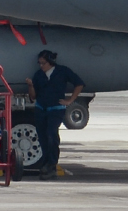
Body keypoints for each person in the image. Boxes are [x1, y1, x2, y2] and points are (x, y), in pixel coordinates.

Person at [30, 50, 86, 178]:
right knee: (43, 138)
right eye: (39, 63)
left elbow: (79, 83)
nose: (41, 66)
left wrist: (70, 100)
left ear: (51, 62)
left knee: (51, 134)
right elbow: (33, 96)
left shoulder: (62, 71)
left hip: (56, 109)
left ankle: (52, 164)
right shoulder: (38, 75)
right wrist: (30, 86)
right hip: (41, 109)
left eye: (43, 63)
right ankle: (46, 165)